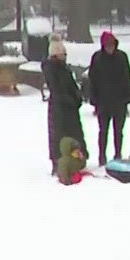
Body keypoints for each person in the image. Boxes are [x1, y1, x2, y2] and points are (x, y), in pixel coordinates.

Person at [42, 35, 88, 173]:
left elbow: (71, 87)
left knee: (71, 135)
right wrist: (72, 100)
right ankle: (61, 162)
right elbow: (59, 90)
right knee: (60, 137)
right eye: (64, 54)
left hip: (68, 109)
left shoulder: (62, 69)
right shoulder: (53, 70)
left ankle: (74, 160)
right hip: (60, 110)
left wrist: (77, 97)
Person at [88, 30, 130, 165]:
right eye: (107, 46)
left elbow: (127, 78)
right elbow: (93, 80)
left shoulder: (122, 57)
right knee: (103, 131)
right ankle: (102, 156)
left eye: (112, 45)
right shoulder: (97, 58)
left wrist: (127, 97)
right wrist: (94, 99)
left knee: (118, 131)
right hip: (103, 101)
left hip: (119, 101)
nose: (110, 48)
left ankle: (118, 153)